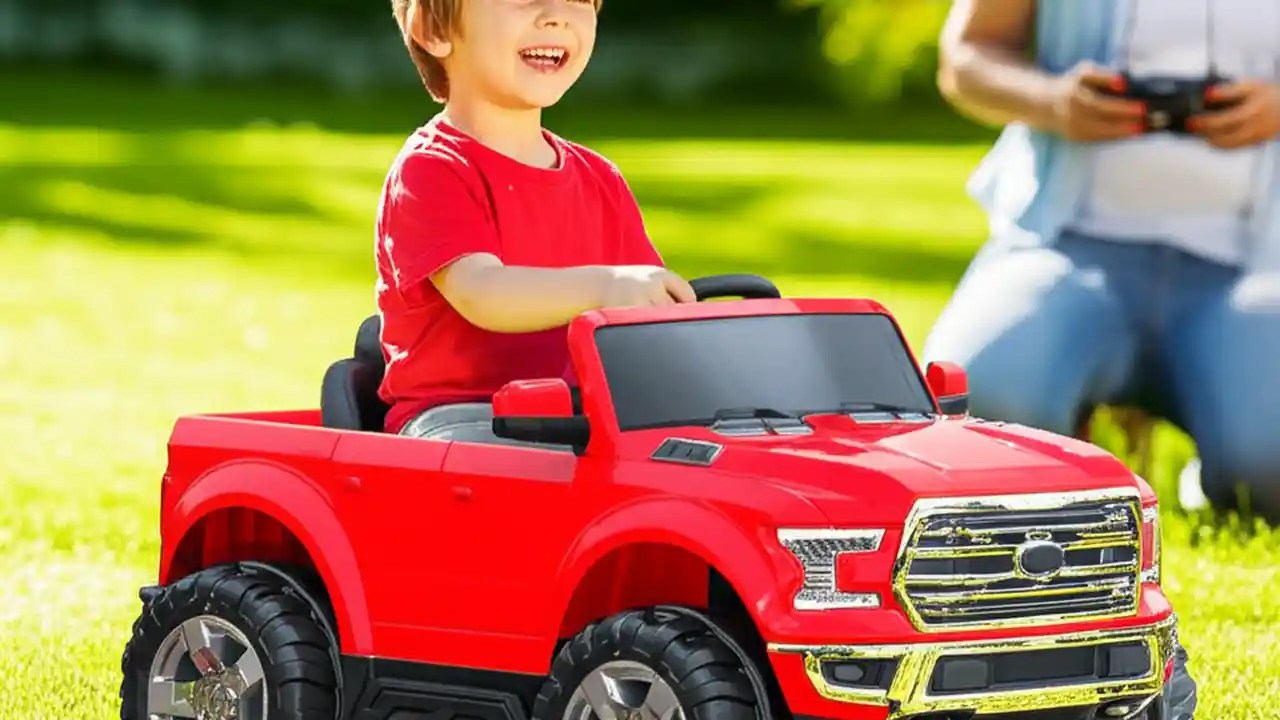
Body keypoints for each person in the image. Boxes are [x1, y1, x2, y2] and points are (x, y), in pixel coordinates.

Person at [924, 0, 1280, 527]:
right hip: (1066, 248)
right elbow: (965, 58)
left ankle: (1214, 451)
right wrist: (1052, 101)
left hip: (1256, 269)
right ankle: (1087, 439)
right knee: (968, 422)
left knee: (1267, 467)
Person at [376, 0, 696, 441]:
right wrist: (608, 287)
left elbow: (643, 324)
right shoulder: (433, 169)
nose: (557, 14)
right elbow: (483, 292)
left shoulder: (600, 179)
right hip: (464, 419)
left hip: (578, 416)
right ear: (434, 29)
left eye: (580, 0)